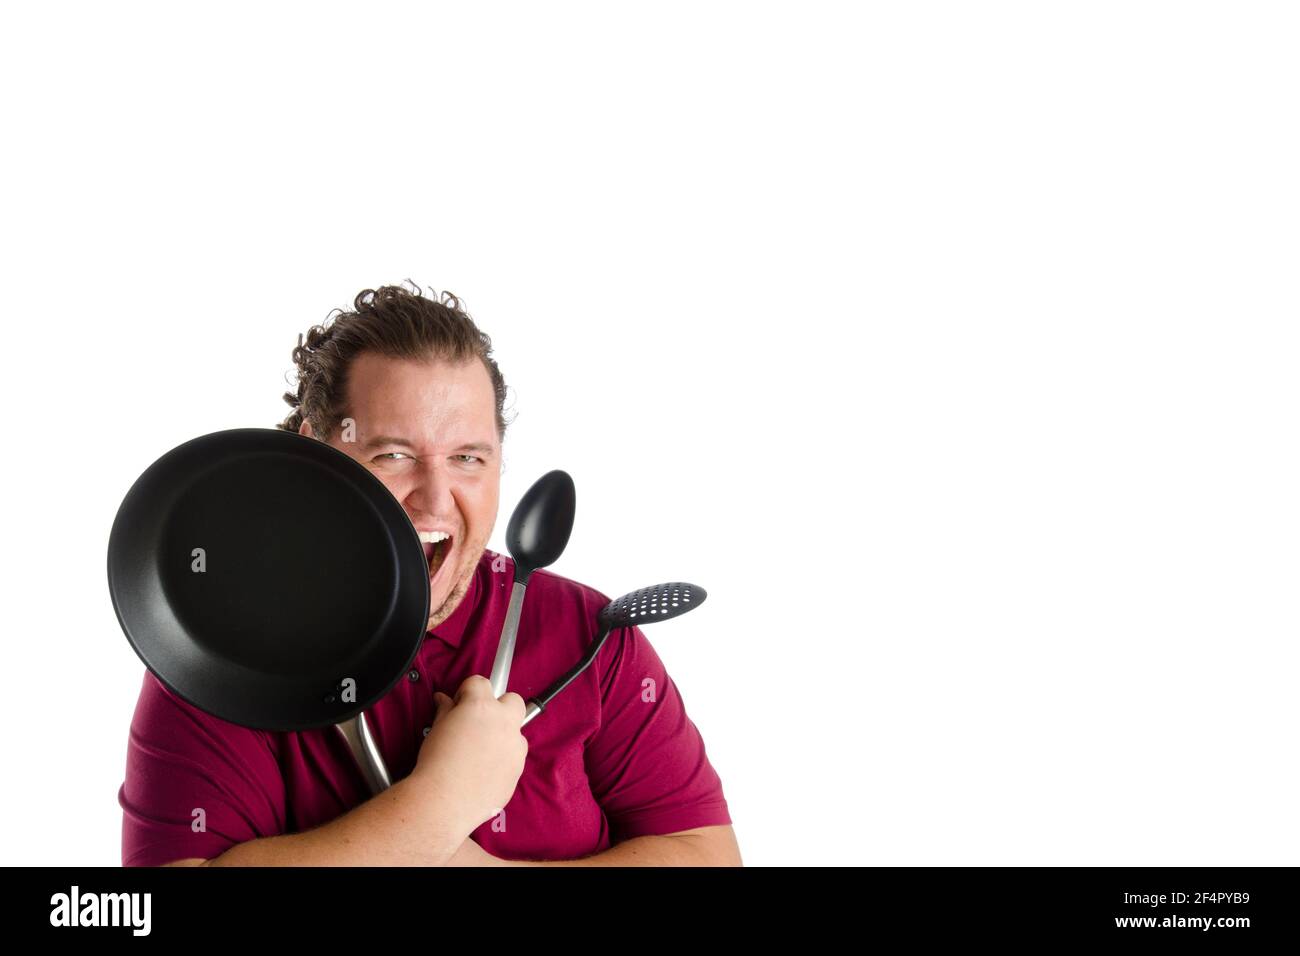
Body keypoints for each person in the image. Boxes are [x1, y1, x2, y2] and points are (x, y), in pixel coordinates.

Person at [117, 283, 740, 866]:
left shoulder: (590, 636)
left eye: (468, 458)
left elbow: (708, 857)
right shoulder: (216, 654)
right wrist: (439, 805)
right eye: (394, 455)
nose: (436, 500)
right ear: (315, 460)